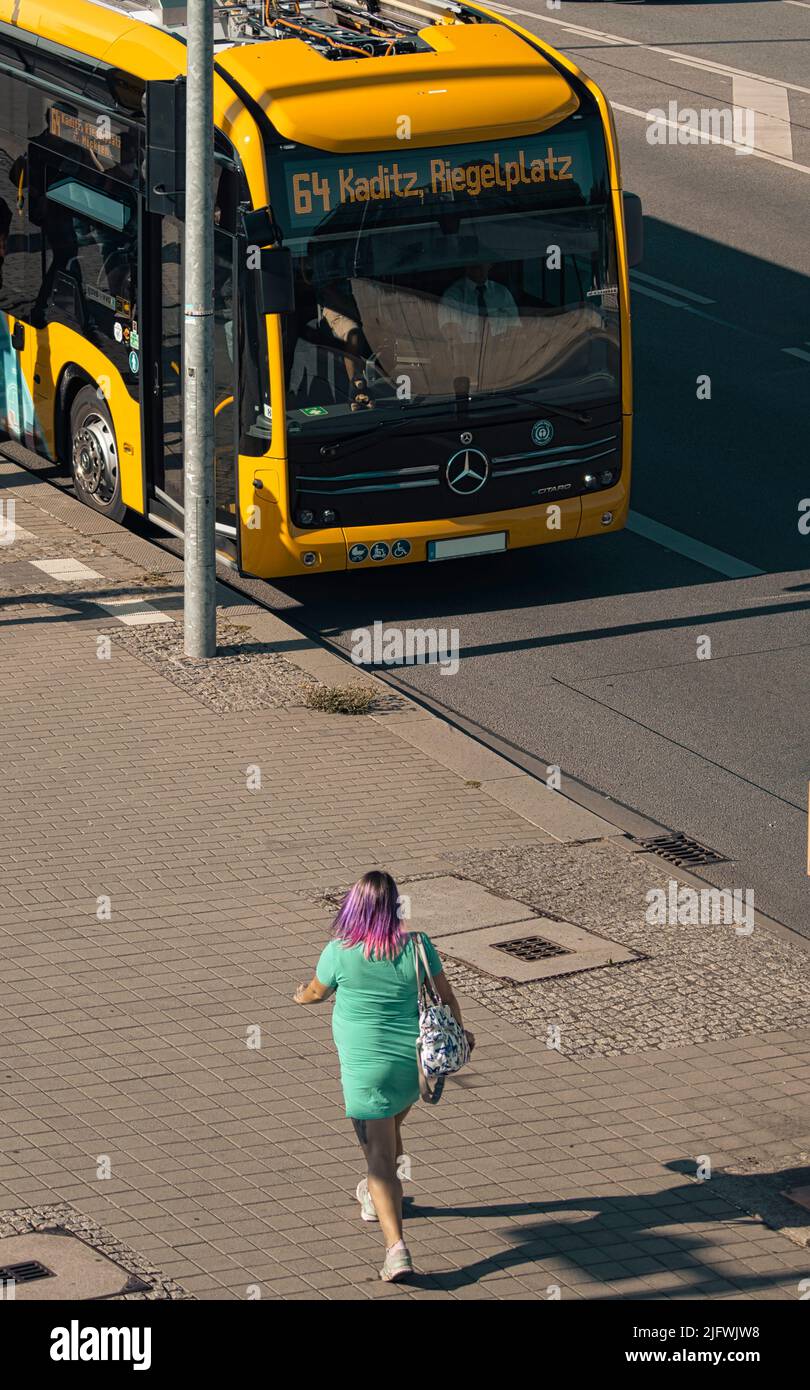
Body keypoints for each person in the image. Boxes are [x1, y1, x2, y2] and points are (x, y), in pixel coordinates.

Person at [293, 869, 473, 1283]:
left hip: (365, 1067)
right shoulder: (417, 946)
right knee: (387, 1129)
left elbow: (317, 993)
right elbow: (446, 998)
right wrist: (459, 1035)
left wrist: (299, 993)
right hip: (411, 1065)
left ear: (353, 908)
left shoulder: (340, 951)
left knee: (377, 1157)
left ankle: (396, 1249)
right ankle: (378, 1199)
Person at [439, 261, 519, 343]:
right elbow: (452, 337)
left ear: (491, 263)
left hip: (503, 352)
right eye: (472, 258)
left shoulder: (503, 294)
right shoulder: (452, 296)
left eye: (483, 259)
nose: (476, 262)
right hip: (468, 353)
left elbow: (516, 332)